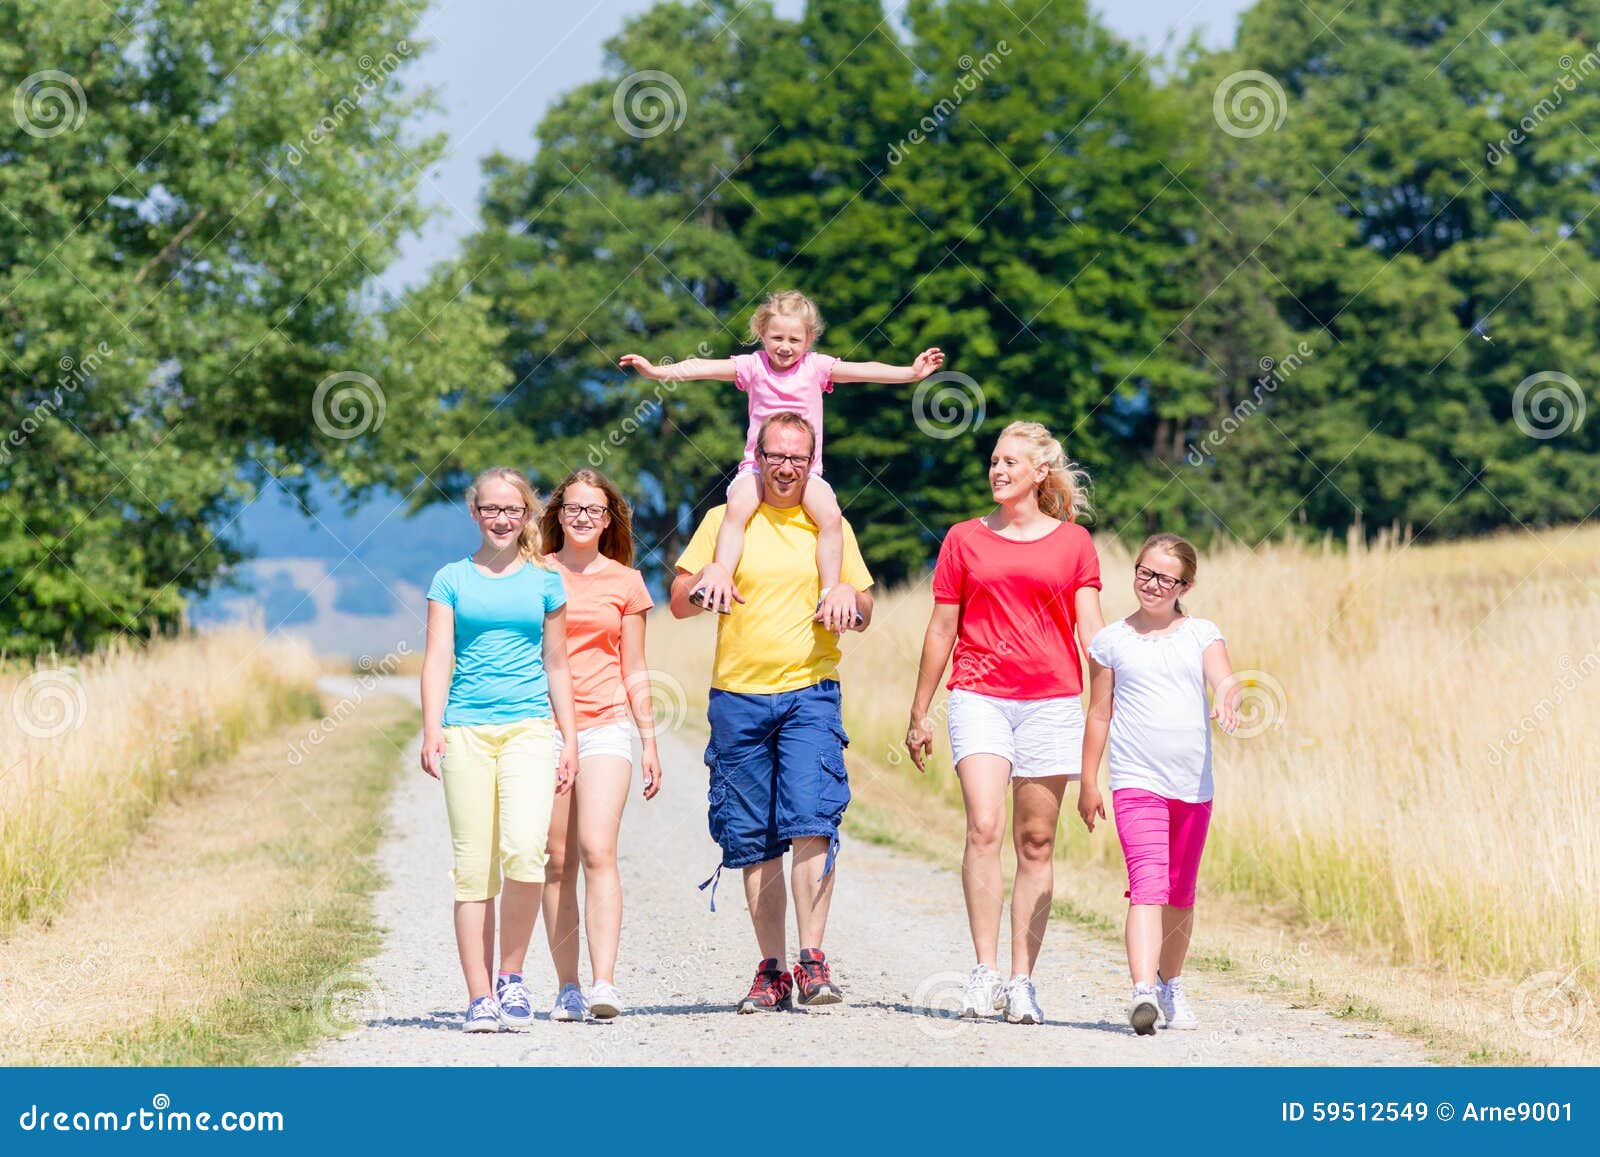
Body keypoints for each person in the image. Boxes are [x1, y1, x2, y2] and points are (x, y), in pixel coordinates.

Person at [670, 411, 875, 1012]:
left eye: (798, 458)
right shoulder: (722, 518)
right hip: (736, 695)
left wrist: (848, 600)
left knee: (813, 819)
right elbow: (679, 603)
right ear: (755, 456)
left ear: (812, 462)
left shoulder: (826, 520)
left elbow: (864, 604)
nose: (786, 468)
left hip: (811, 690)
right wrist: (706, 580)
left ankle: (813, 961)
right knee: (752, 836)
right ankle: (772, 970)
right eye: (775, 455)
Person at [906, 420, 1106, 1026]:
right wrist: (920, 711)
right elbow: (943, 628)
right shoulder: (965, 538)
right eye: (993, 460)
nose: (997, 470)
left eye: (1010, 462)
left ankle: (1022, 981)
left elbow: (1091, 631)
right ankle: (983, 971)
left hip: (1051, 701)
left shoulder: (1074, 543)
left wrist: (1116, 696)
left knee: (1036, 842)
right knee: (985, 827)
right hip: (979, 695)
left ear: (1039, 473)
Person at [620, 289, 937, 628]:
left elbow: (864, 370)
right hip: (758, 467)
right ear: (762, 335)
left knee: (830, 517)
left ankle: (829, 591)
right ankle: (721, 577)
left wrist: (909, 373)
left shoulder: (817, 367)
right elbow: (702, 367)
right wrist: (656, 372)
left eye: (794, 339)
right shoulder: (753, 366)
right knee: (737, 508)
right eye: (776, 337)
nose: (785, 346)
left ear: (809, 339)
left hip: (806, 471)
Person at [420, 466, 577, 1033]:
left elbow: (557, 663)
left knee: (525, 852)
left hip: (531, 729)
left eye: (512, 510)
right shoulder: (451, 579)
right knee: (472, 869)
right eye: (490, 509)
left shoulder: (544, 580)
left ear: (528, 514)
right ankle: (479, 995)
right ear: (474, 513)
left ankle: (512, 978)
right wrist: (431, 728)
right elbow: (438, 657)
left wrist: (570, 739)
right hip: (465, 731)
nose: (501, 519)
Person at [1079, 533, 1240, 1035]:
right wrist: (1088, 780)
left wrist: (1229, 695)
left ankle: (1171, 984)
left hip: (1193, 786)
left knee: (1181, 893)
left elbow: (1225, 678)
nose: (1150, 585)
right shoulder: (1109, 642)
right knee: (1147, 885)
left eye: (1164, 578)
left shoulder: (1201, 633)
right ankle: (1142, 990)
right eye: (1144, 572)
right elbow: (1099, 714)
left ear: (1184, 585)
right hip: (1136, 781)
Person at [537, 469, 662, 1022]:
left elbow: (634, 667)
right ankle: (567, 986)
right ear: (558, 515)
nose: (582, 517)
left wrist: (650, 740)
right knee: (556, 858)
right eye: (572, 508)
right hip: (542, 726)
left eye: (593, 509)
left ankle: (604, 982)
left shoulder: (627, 582)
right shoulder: (534, 573)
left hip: (606, 722)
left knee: (596, 849)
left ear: (608, 518)